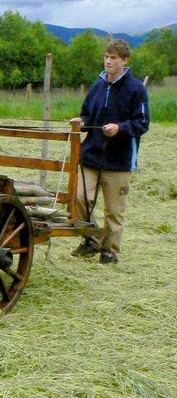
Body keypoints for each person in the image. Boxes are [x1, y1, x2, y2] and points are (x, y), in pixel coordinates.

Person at [69, 38, 150, 264]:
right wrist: (81, 121)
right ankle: (91, 241)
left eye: (113, 58)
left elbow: (142, 122)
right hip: (91, 156)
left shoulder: (136, 89)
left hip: (120, 161)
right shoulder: (97, 86)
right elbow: (86, 114)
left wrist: (120, 128)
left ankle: (110, 252)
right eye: (106, 57)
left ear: (125, 60)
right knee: (79, 198)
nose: (108, 61)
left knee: (114, 211)